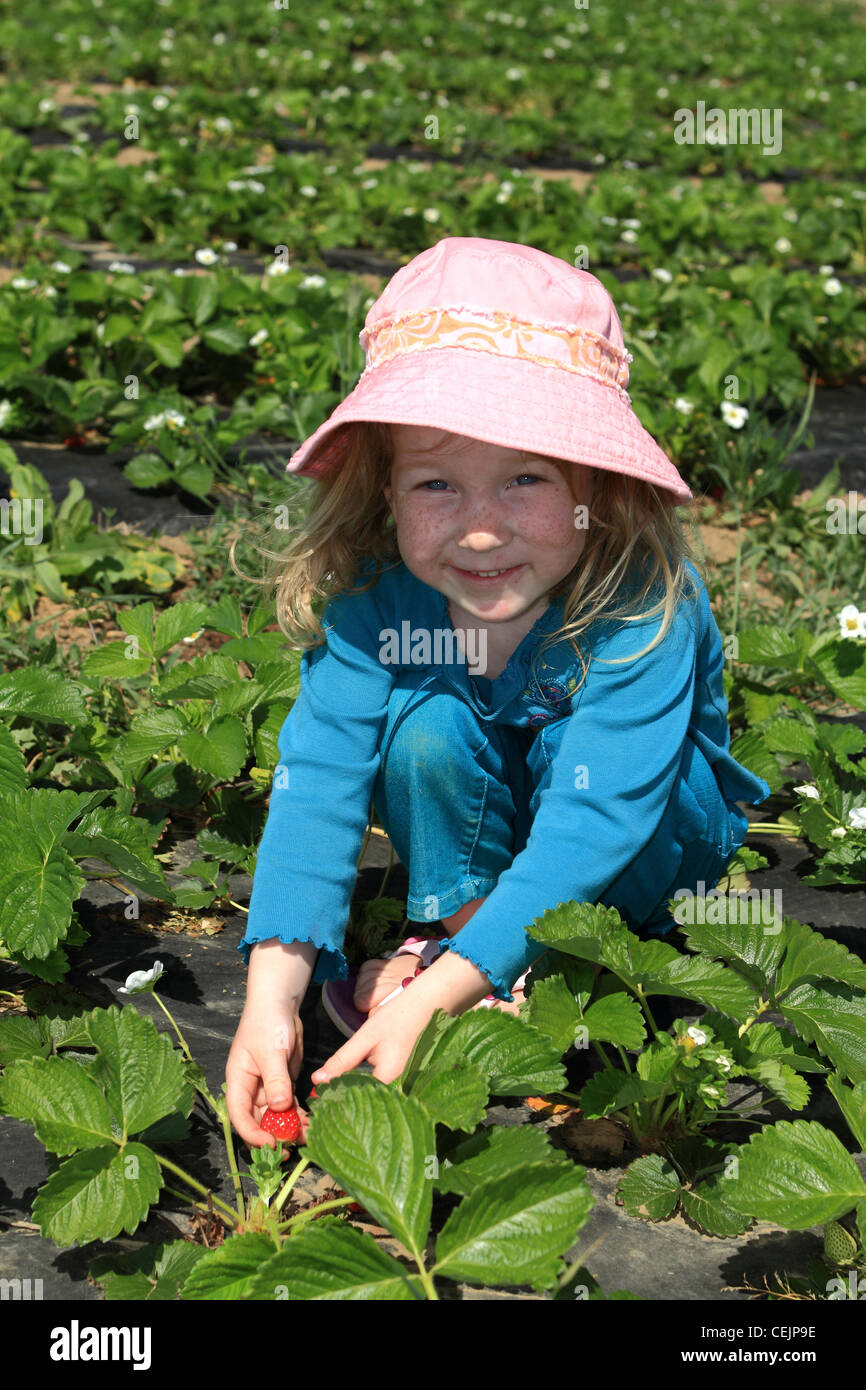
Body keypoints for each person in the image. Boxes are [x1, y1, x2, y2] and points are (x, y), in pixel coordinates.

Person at [224, 236, 771, 1151]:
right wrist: (270, 999)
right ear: (385, 489)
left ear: (596, 482)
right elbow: (316, 783)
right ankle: (458, 922)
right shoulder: (375, 597)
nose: (481, 530)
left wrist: (443, 995)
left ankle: (506, 968)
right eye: (437, 483)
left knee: (597, 771)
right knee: (427, 727)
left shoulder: (643, 602)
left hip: (641, 844)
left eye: (526, 477)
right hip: (491, 816)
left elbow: (598, 824)